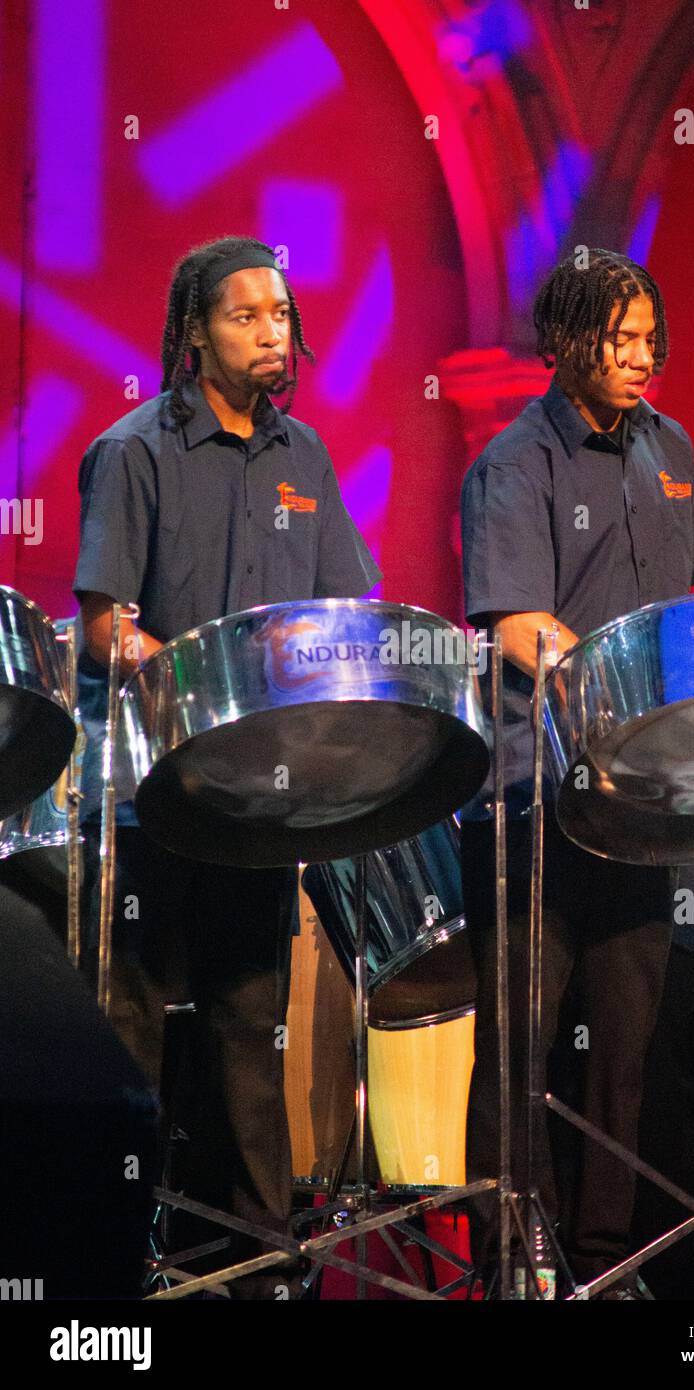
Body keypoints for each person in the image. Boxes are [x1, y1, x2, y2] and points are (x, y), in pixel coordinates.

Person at [73, 236, 381, 1296]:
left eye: (282, 315)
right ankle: (109, 1261)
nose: (271, 332)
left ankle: (256, 1264)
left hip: (260, 806)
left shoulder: (306, 460)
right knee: (135, 1033)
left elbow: (344, 619)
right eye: (247, 315)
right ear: (195, 332)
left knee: (254, 1032)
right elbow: (106, 625)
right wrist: (183, 681)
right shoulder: (135, 452)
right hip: (155, 802)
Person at [459, 247, 694, 1298]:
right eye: (619, 338)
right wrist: (613, 700)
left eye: (650, 338)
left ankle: (608, 1260)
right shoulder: (513, 465)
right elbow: (519, 626)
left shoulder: (673, 449)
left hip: (642, 803)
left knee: (624, 1041)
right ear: (566, 341)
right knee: (521, 1043)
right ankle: (512, 1259)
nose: (639, 357)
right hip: (537, 797)